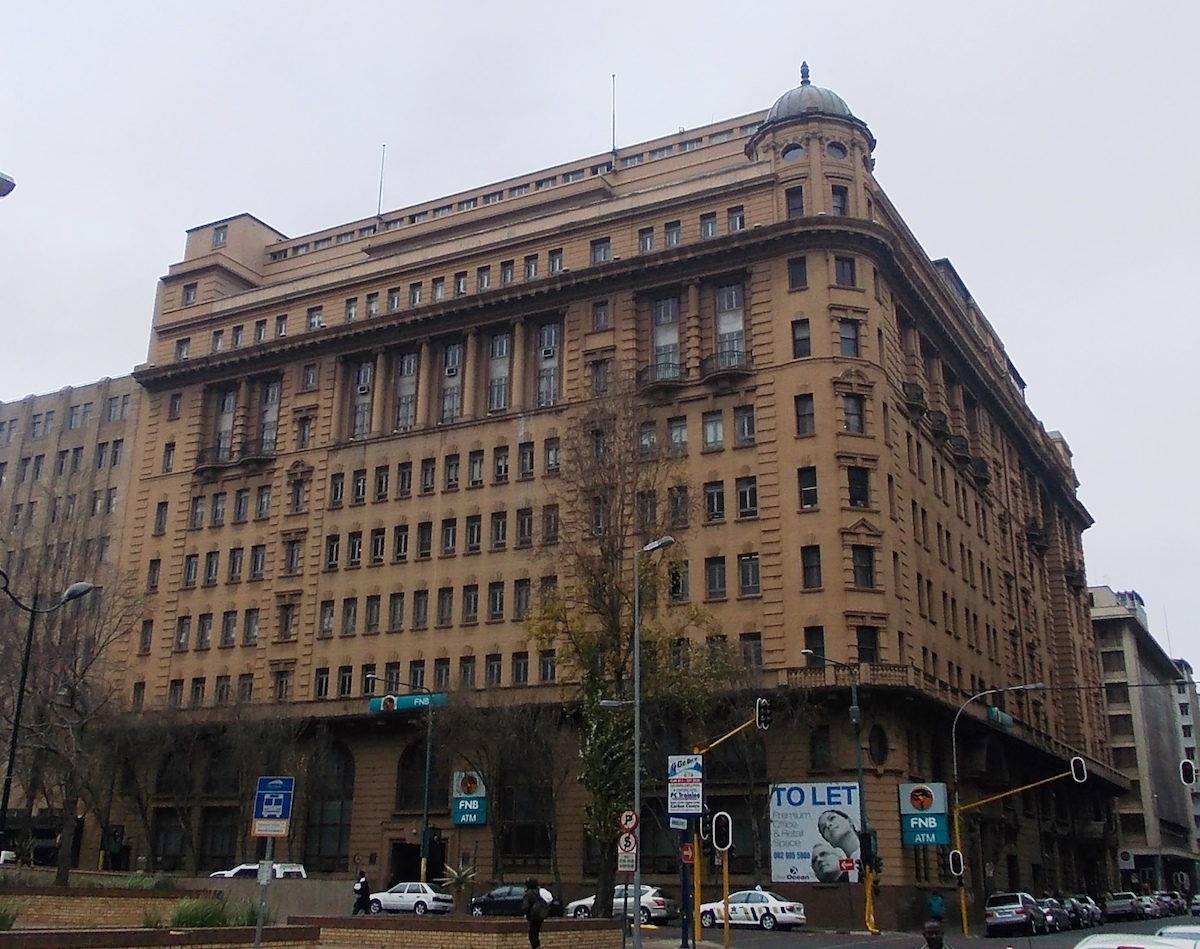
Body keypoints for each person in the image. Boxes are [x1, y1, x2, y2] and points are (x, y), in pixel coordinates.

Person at [521, 876, 551, 949]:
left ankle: (537, 947)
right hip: (540, 916)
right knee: (535, 932)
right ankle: (537, 946)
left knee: (532, 934)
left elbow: (526, 907)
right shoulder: (539, 892)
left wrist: (525, 912)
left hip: (533, 916)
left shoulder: (528, 894)